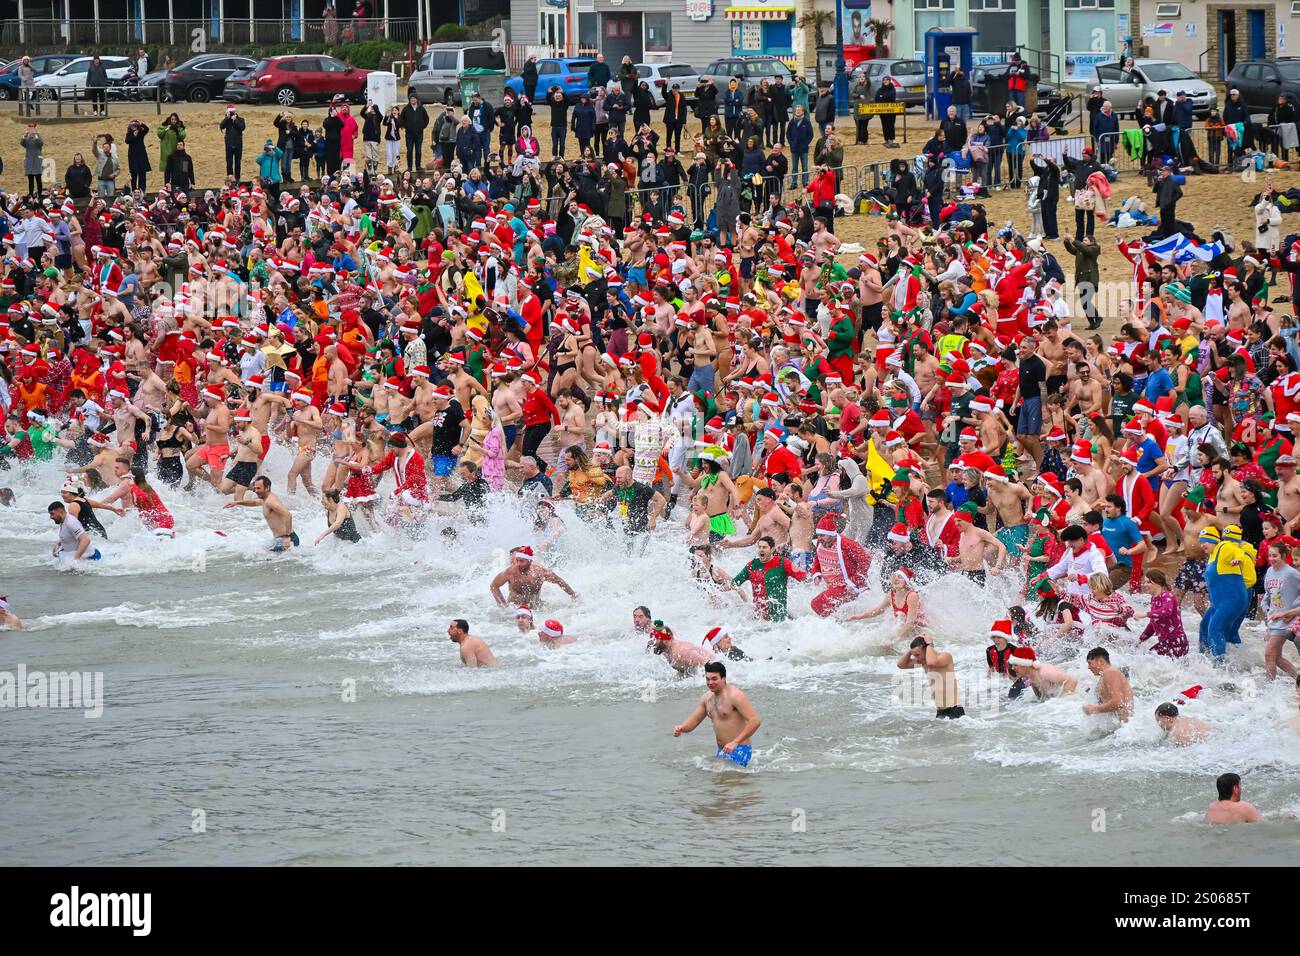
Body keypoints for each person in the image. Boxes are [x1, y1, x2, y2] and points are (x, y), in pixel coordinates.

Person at [673, 661, 761, 766]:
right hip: (722, 750)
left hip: (740, 749)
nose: (710, 683)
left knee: (725, 778)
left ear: (723, 678)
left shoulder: (735, 696)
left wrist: (735, 742)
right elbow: (694, 722)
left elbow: (755, 721)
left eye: (714, 679)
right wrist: (681, 728)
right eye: (707, 679)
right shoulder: (707, 698)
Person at [224, 476, 297, 553]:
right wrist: (237, 502)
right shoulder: (264, 499)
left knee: (265, 560)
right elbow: (255, 502)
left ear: (267, 488)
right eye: (255, 488)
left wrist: (287, 537)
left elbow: (288, 515)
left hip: (287, 540)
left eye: (259, 488)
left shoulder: (271, 501)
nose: (255, 491)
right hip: (280, 539)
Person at [897, 635, 963, 719]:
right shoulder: (923, 662)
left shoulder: (945, 656)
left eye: (917, 654)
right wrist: (911, 651)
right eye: (914, 655)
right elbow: (901, 665)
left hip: (954, 710)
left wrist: (929, 644)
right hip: (940, 712)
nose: (915, 658)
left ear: (926, 650)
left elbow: (932, 662)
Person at [489, 545, 577, 607]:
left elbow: (559, 581)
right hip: (515, 610)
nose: (515, 564)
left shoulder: (540, 571)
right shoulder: (509, 572)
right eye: (513, 561)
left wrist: (574, 596)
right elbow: (494, 586)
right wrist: (503, 608)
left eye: (519, 561)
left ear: (529, 561)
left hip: (537, 609)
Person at [1082, 647, 1133, 722]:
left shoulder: (1110, 672)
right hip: (1120, 726)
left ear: (1101, 661)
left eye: (1090, 663)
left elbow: (1118, 702)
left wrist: (1093, 709)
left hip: (1124, 727)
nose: (1088, 667)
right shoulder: (1104, 676)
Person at [220, 106, 246, 181]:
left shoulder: (241, 119)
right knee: (229, 163)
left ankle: (237, 179)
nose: (231, 114)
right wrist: (226, 118)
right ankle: (230, 178)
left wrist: (236, 120)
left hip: (238, 144)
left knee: (238, 163)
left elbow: (242, 127)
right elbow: (221, 126)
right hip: (229, 143)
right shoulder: (227, 120)